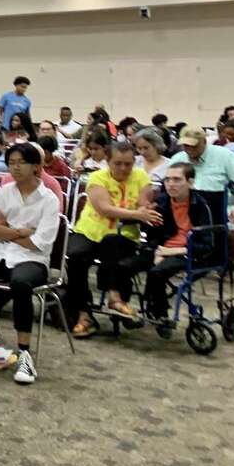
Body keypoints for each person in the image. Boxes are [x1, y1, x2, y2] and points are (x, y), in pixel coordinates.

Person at [0, 143, 60, 385]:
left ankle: (25, 354)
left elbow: (41, 244)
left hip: (33, 261)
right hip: (2, 254)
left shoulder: (48, 199)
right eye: (11, 162)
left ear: (36, 166)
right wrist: (19, 231)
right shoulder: (6, 192)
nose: (15, 167)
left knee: (21, 284)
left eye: (21, 162)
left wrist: (6, 229)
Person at [64, 142, 160, 337]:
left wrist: (144, 211)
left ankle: (115, 296)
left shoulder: (141, 177)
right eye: (118, 164)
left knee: (111, 243)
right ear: (108, 162)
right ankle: (84, 314)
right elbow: (105, 209)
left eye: (128, 164)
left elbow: (144, 207)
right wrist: (137, 214)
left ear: (134, 162)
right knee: (75, 257)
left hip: (124, 235)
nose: (124, 169)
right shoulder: (97, 177)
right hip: (89, 230)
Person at [119, 163, 214, 325]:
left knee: (157, 272)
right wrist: (143, 217)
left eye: (177, 180)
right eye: (168, 179)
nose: (170, 184)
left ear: (190, 182)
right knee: (124, 266)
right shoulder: (162, 201)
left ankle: (159, 313)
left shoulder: (201, 206)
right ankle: (123, 309)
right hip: (160, 248)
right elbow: (151, 231)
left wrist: (172, 251)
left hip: (188, 252)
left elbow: (206, 246)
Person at [169, 127, 234, 228]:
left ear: (204, 141)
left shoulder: (225, 155)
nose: (189, 149)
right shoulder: (177, 159)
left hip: (224, 207)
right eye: (185, 145)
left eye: (194, 145)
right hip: (185, 207)